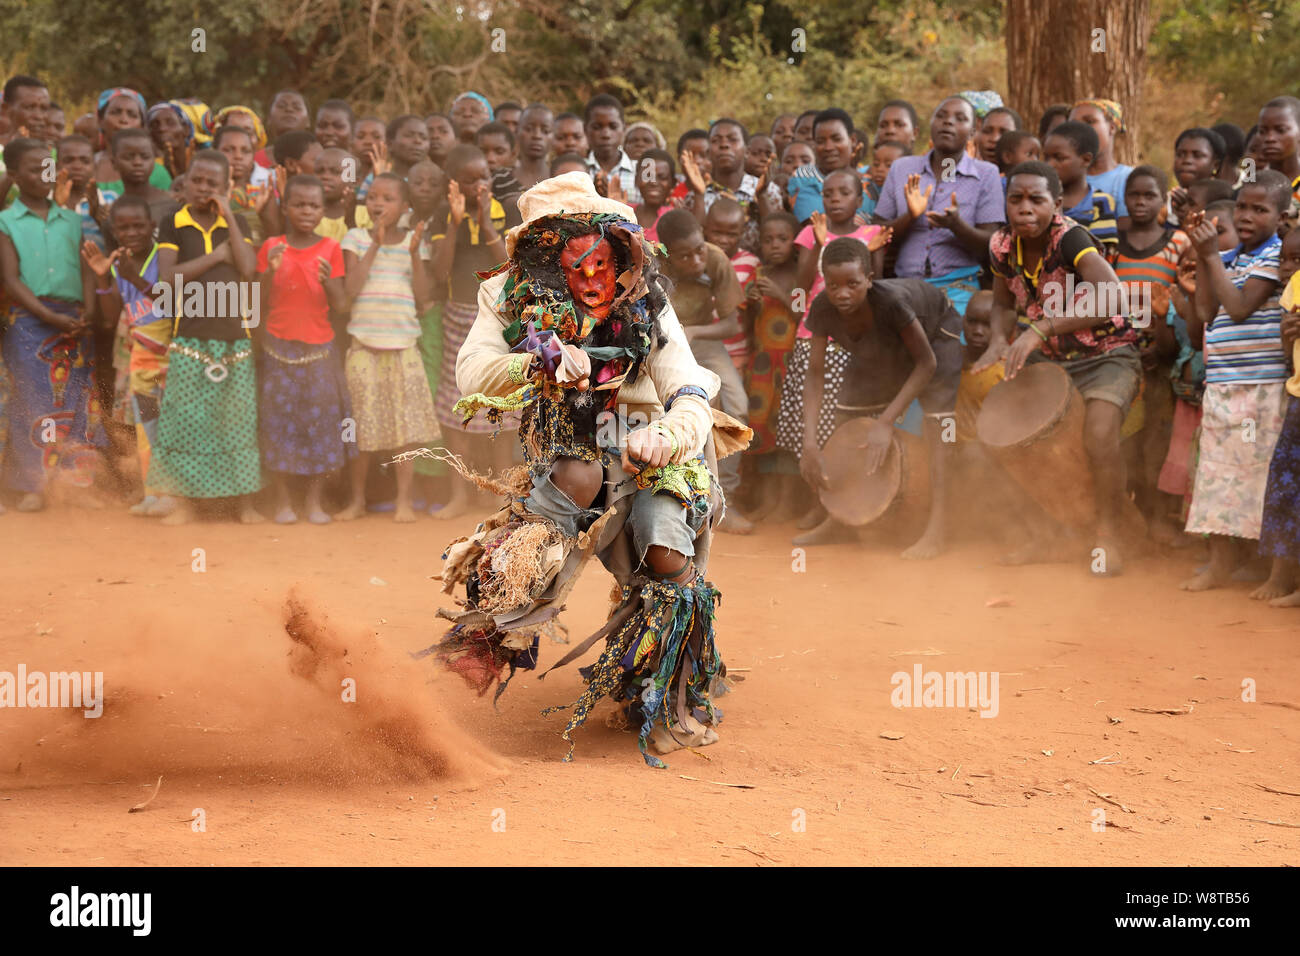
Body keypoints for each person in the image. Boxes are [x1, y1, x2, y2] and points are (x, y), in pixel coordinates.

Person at [437, 171, 741, 765]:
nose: (582, 260)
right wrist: (538, 361)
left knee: (663, 553)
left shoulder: (646, 296)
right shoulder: (507, 296)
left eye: (590, 242)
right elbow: (471, 371)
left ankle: (666, 689)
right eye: (561, 243)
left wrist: (667, 434)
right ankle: (495, 626)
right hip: (569, 447)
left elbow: (689, 385)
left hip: (657, 445)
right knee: (575, 482)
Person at [974, 161, 1142, 575]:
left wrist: (1042, 328)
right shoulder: (1000, 245)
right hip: (1049, 357)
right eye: (1016, 199)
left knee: (1100, 434)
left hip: (1106, 355)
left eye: (1037, 199)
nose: (1025, 208)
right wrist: (999, 339)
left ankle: (1107, 535)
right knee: (1007, 435)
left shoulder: (1072, 240)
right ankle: (1045, 533)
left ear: (1058, 204)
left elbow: (1116, 298)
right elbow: (1000, 303)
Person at [797, 238, 961, 558]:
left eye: (853, 284)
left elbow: (927, 364)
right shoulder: (822, 307)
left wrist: (885, 422)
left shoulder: (891, 303)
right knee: (845, 422)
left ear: (870, 280)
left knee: (940, 430)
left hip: (936, 340)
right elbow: (814, 375)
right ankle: (840, 518)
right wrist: (810, 443)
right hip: (882, 347)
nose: (842, 293)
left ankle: (938, 529)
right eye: (833, 285)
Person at [1179, 171, 1291, 591]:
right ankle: (1221, 562)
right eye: (1242, 206)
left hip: (1263, 387)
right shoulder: (1227, 259)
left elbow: (1241, 308)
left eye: (1259, 209)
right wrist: (1206, 257)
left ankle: (1265, 568)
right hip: (1223, 385)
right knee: (1218, 476)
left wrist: (1209, 257)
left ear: (1281, 219)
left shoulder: (1276, 258)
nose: (1246, 215)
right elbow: (1207, 313)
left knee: (1259, 475)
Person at [146, 150, 262, 525]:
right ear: (185, 181)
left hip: (234, 338)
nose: (204, 188)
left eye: (213, 183)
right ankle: (185, 504)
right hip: (190, 339)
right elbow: (168, 279)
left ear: (227, 187)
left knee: (237, 423)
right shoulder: (173, 222)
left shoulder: (238, 221)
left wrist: (229, 216)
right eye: (197, 180)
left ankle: (245, 505)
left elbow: (248, 270)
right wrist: (216, 256)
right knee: (186, 422)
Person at [0, 137, 103, 510]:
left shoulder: (74, 221)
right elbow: (11, 279)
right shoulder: (5, 222)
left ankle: (78, 485)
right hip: (30, 320)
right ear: (13, 175)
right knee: (34, 402)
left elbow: (89, 271)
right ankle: (35, 486)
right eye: (33, 168)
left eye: (48, 167)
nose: (45, 175)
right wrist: (48, 317)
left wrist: (88, 310)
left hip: (75, 319)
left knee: (79, 400)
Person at [336, 173, 438, 523]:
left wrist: (412, 255)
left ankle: (404, 502)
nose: (378, 203)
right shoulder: (355, 238)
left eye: (388, 198)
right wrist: (376, 245)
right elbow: (350, 290)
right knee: (361, 431)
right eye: (373, 197)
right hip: (364, 346)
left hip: (403, 347)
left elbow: (424, 295)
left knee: (404, 433)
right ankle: (357, 501)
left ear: (405, 206)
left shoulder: (414, 241)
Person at [429, 144, 520, 520]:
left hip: (498, 316)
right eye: (469, 180)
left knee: (502, 405)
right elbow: (439, 272)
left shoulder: (500, 213)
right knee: (457, 406)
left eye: (483, 177)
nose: (478, 185)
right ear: (453, 184)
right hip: (458, 315)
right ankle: (460, 493)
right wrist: (454, 223)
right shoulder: (441, 217)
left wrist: (484, 224)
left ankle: (499, 490)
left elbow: (508, 266)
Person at [256, 174, 352, 525]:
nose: (306, 211)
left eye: (314, 205)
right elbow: (258, 303)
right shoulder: (271, 247)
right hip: (278, 348)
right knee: (278, 425)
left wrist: (328, 282)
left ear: (323, 210)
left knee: (321, 428)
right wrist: (270, 271)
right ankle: (282, 501)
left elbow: (342, 306)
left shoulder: (330, 248)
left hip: (319, 352)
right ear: (285, 207)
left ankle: (314, 502)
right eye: (298, 204)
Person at [657, 208, 752, 533]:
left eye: (700, 249)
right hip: (662, 343)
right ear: (668, 252)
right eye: (686, 256)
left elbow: (730, 323)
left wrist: (695, 334)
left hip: (702, 338)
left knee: (737, 404)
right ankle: (669, 503)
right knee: (662, 413)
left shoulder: (715, 259)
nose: (697, 259)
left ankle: (726, 500)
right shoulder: (653, 264)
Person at [1110, 164, 1190, 541]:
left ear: (1163, 201)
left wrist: (1161, 343)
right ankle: (1126, 520)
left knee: (1158, 438)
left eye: (1149, 196)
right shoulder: (1112, 245)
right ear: (1124, 198)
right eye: (1133, 195)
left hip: (1164, 352)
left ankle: (1156, 517)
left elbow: (1183, 296)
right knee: (1123, 438)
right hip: (1119, 353)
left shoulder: (1179, 243)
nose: (1140, 202)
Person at [83, 195, 174, 517]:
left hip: (173, 360)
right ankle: (154, 493)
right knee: (147, 430)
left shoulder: (165, 258)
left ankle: (175, 494)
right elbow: (110, 317)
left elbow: (173, 304)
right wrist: (103, 277)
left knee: (173, 426)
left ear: (153, 227)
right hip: (142, 362)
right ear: (115, 232)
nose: (132, 232)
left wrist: (133, 277)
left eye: (138, 225)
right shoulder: (120, 264)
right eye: (124, 228)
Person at [874, 96, 1004, 317]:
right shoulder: (901, 168)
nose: (948, 122)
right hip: (904, 289)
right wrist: (910, 217)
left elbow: (992, 244)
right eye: (941, 116)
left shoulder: (986, 174)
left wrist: (957, 226)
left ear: (972, 133)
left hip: (959, 290)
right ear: (931, 125)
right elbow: (876, 232)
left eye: (960, 118)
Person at [742, 211, 802, 519]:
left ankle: (786, 501)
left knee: (787, 429)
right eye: (768, 240)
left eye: (782, 239)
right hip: (763, 364)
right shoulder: (759, 274)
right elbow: (750, 322)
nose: (775, 245)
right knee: (762, 429)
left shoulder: (799, 276)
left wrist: (780, 295)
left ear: (795, 242)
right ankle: (766, 500)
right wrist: (751, 300)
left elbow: (803, 317)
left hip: (791, 364)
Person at [1256, 228, 1300, 606]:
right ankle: (1282, 574)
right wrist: (1289, 337)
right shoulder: (1296, 287)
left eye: (1296, 260)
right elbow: (1289, 352)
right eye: (1284, 258)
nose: (1288, 268)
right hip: (1298, 398)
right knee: (1286, 488)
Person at [1043, 121, 1118, 250]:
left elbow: (1100, 252)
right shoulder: (1041, 199)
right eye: (1046, 158)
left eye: (1059, 158)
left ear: (1086, 160)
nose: (1050, 165)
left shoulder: (1100, 202)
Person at [703, 197, 759, 371]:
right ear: (705, 229)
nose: (723, 240)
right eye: (717, 233)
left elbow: (753, 311)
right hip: (701, 351)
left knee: (736, 397)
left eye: (731, 234)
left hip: (738, 352)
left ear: (742, 233)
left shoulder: (751, 264)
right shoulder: (697, 261)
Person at [1069, 99, 1132, 223]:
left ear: (1112, 128)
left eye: (1090, 121)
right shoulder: (1063, 178)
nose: (1081, 129)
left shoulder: (1128, 179)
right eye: (1074, 124)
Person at [583, 93, 640, 204]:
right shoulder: (577, 172)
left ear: (624, 128)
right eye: (597, 127)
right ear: (585, 129)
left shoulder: (640, 171)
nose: (606, 134)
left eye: (613, 126)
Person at [1169, 128, 1227, 226]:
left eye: (1197, 156)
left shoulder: (1225, 201)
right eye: (1180, 154)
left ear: (1215, 164)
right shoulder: (1159, 202)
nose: (1187, 160)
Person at [314, 147, 373, 241]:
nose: (325, 177)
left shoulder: (367, 215)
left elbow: (365, 250)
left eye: (335, 172)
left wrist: (350, 220)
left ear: (354, 182)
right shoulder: (307, 213)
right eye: (319, 171)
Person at [476, 121, 523, 208]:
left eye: (499, 152)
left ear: (512, 155)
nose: (490, 159)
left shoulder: (504, 177)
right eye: (483, 151)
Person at [632, 148, 674, 244]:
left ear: (673, 183)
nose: (653, 183)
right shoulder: (624, 212)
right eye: (647, 176)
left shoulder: (674, 218)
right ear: (636, 180)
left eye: (662, 177)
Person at [513, 104, 554, 191]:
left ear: (553, 136)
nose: (537, 136)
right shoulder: (501, 178)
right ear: (517, 132)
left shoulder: (559, 180)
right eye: (528, 129)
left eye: (545, 131)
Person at [386, 114, 429, 180]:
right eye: (408, 135)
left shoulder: (436, 182)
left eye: (424, 137)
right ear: (390, 144)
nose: (418, 141)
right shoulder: (375, 177)